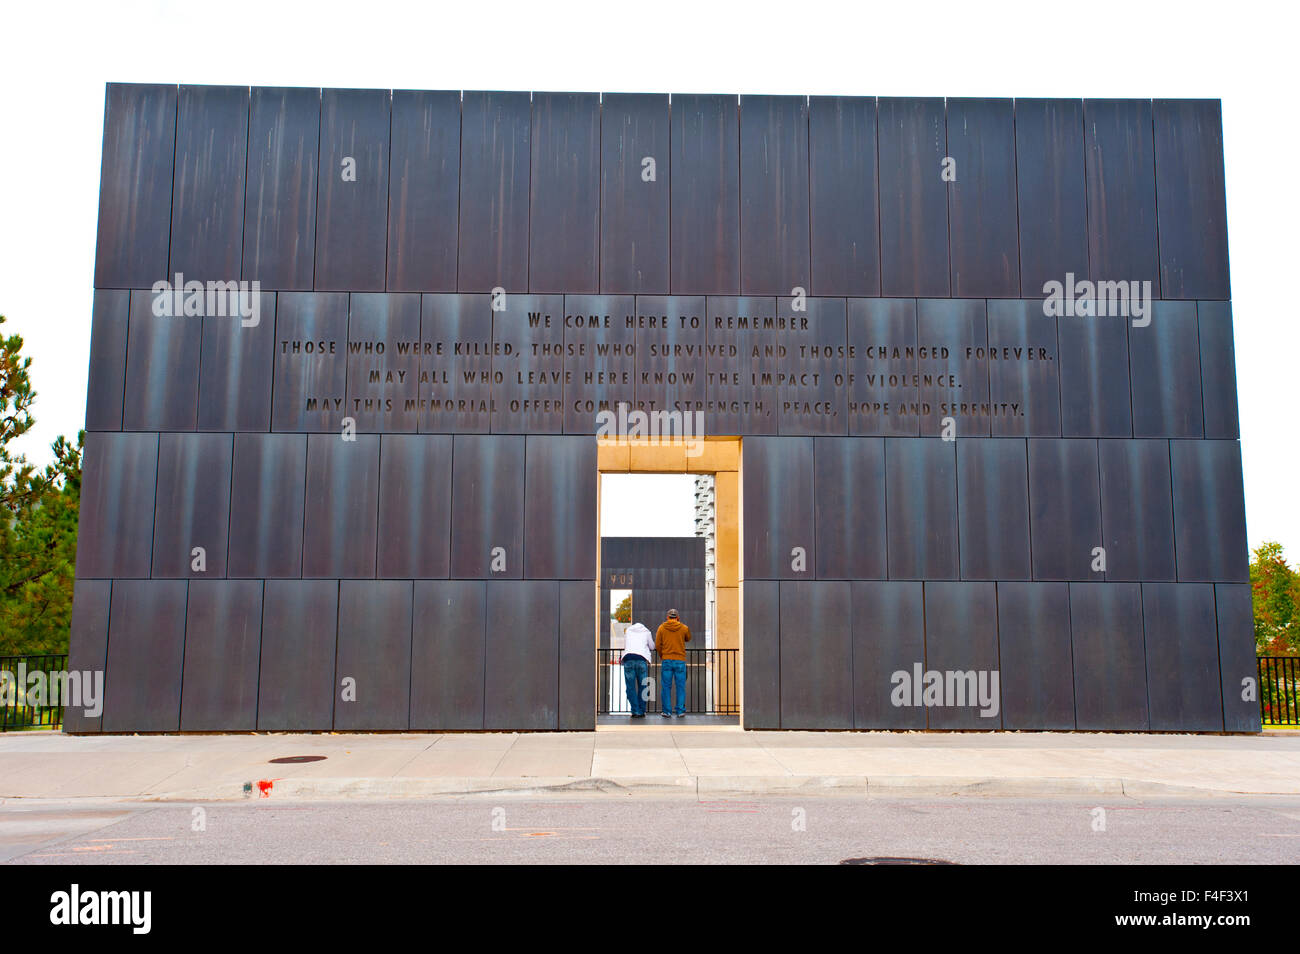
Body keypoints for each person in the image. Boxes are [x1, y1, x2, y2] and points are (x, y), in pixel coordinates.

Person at [655, 609, 692, 718]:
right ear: (677, 617)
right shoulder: (684, 628)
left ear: (667, 617)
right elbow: (688, 638)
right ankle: (680, 711)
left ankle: (667, 711)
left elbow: (658, 644)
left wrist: (663, 656)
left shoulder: (661, 628)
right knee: (680, 687)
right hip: (680, 661)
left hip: (666, 660)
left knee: (666, 687)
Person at [621, 622, 655, 718]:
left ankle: (635, 710)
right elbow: (652, 646)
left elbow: (626, 645)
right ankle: (642, 710)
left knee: (630, 687)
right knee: (643, 687)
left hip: (628, 659)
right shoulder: (646, 632)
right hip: (641, 660)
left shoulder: (628, 631)